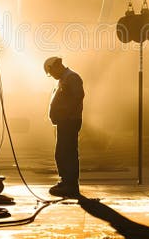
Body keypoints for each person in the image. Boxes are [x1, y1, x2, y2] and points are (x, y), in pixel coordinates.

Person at [44, 56, 84, 197]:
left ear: (54, 67)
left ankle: (70, 184)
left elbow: (78, 96)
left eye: (51, 73)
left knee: (67, 152)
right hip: (65, 121)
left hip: (69, 121)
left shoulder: (71, 78)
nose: (52, 76)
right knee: (62, 152)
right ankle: (66, 181)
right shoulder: (64, 79)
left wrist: (65, 114)